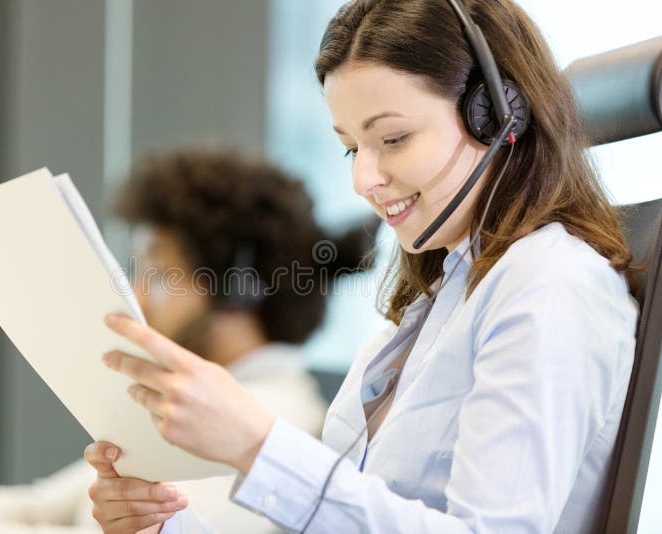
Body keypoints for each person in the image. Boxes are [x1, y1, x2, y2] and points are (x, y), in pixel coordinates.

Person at [84, 1, 642, 532]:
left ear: (496, 116)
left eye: (393, 138)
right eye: (353, 148)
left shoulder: (550, 287)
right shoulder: (432, 308)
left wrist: (256, 445)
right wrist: (164, 524)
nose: (362, 180)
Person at [0, 149, 374, 533]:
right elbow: (35, 507)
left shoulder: (257, 422)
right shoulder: (199, 404)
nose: (138, 293)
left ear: (239, 287)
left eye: (158, 272)